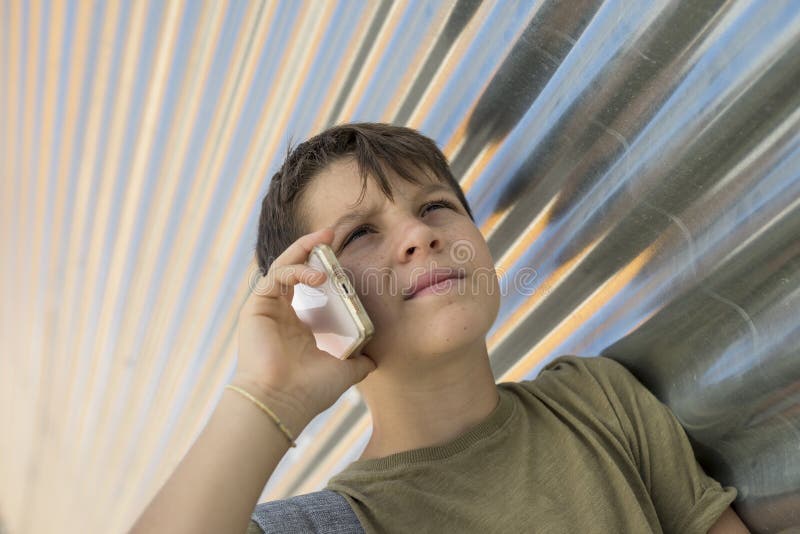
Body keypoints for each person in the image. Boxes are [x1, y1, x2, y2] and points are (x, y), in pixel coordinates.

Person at [130, 123, 750, 533]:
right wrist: (269, 396)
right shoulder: (329, 527)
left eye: (435, 208)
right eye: (361, 233)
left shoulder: (598, 402)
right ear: (318, 305)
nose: (420, 235)